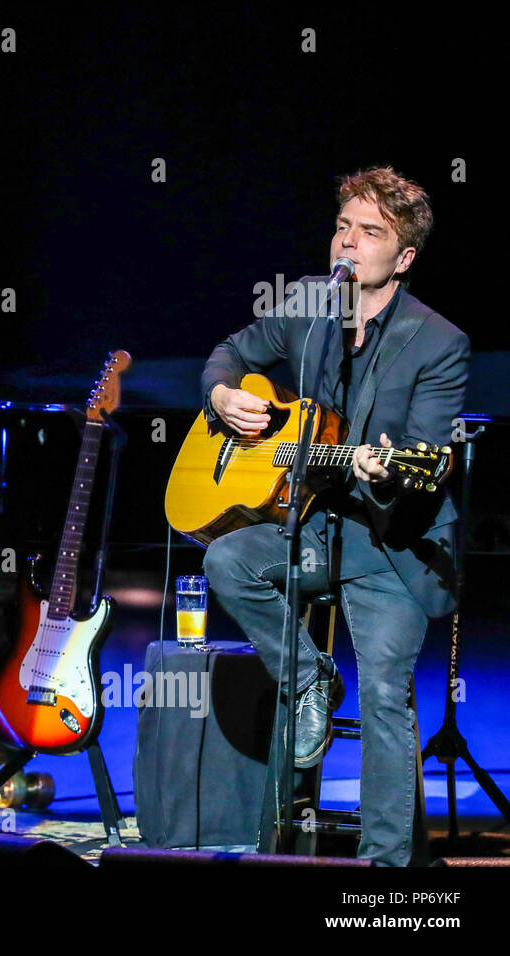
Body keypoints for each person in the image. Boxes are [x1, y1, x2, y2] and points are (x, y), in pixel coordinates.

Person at [200, 167, 469, 865]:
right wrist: (223, 396)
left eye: (370, 232)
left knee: (383, 693)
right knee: (226, 559)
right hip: (313, 526)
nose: (348, 243)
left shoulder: (438, 343)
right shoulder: (306, 308)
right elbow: (229, 353)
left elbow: (426, 456)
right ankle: (307, 674)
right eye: (343, 226)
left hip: (392, 542)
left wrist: (390, 472)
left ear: (403, 258)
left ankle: (382, 872)